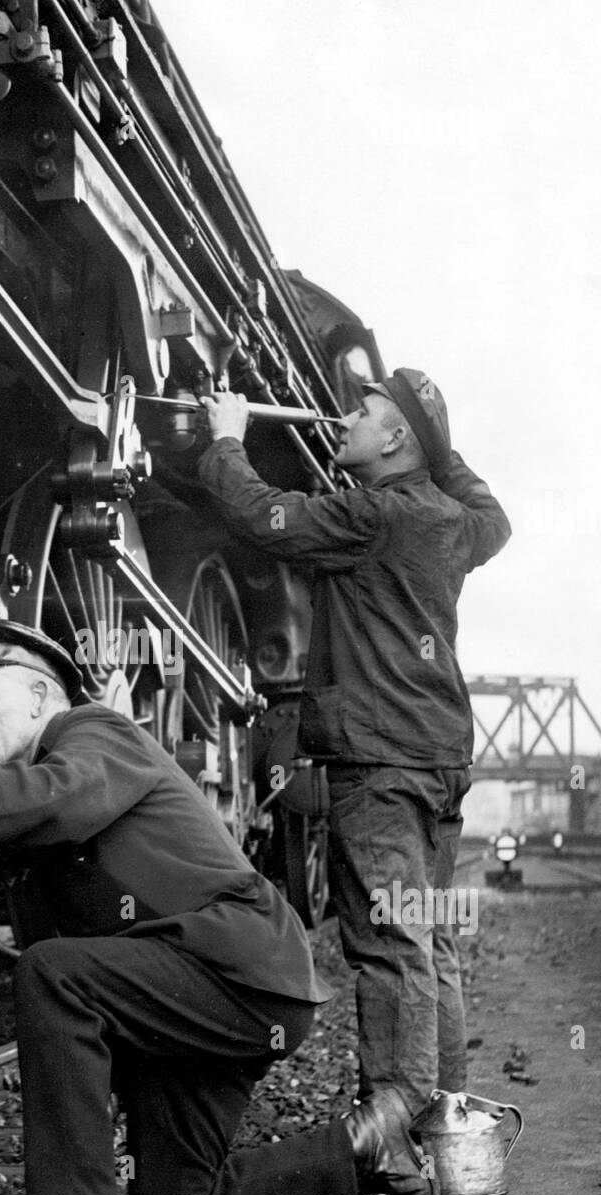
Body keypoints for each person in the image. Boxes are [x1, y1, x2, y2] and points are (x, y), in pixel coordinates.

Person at [0, 617, 439, 1195]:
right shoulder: (40, 785)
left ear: (40, 696)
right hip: (191, 1000)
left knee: (56, 976)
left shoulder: (94, 733)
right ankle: (367, 1146)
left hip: (236, 974)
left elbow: (57, 801)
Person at [197, 371, 511, 1121]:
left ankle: (394, 1127)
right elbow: (496, 516)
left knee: (391, 945)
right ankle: (444, 1120)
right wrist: (435, 444)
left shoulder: (375, 516)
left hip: (382, 764)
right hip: (437, 757)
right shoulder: (454, 521)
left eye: (362, 413)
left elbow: (263, 516)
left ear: (396, 439)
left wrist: (226, 439)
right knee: (426, 938)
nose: (342, 419)